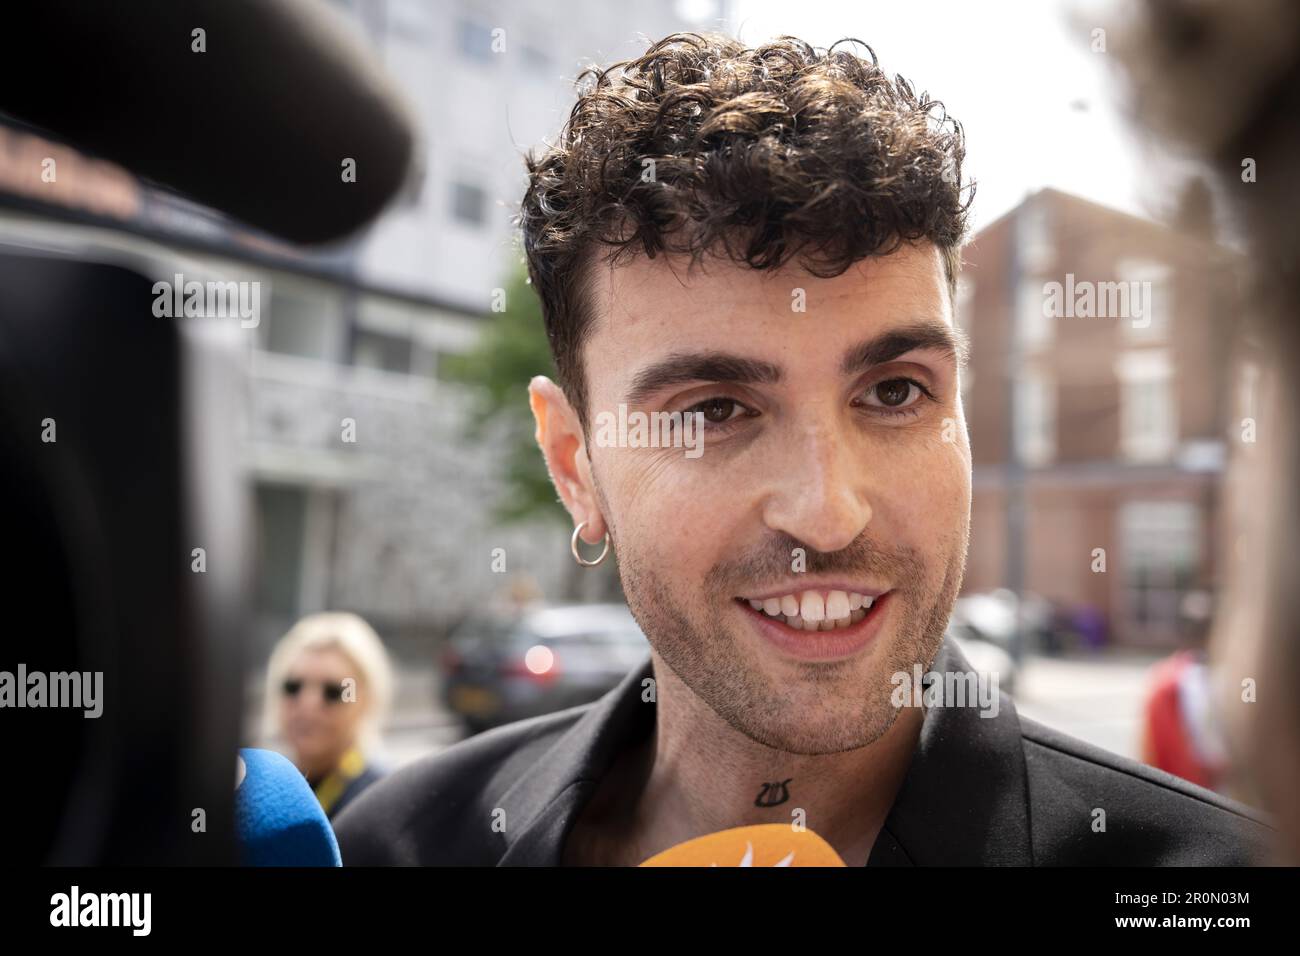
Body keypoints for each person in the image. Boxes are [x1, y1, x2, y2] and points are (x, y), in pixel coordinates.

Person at [335, 32, 1273, 865]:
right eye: (712, 412)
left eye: (896, 393)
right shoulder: (399, 843)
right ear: (576, 467)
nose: (828, 512)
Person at [263, 612, 393, 821]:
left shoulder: (382, 801)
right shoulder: (259, 790)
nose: (308, 704)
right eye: (293, 687)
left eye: (333, 692)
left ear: (366, 701)